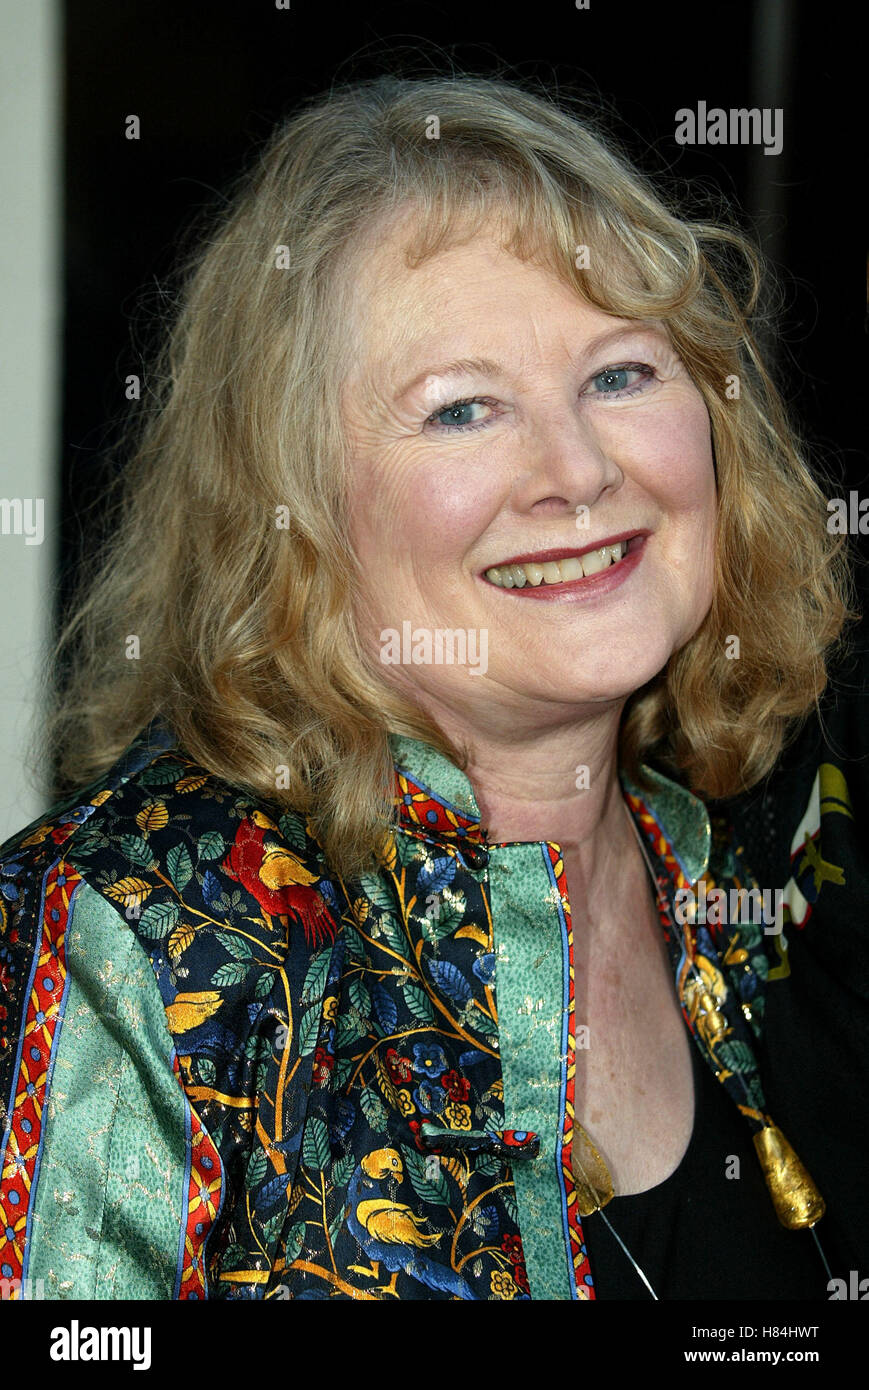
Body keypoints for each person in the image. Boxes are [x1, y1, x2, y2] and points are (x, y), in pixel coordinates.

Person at [0, 72, 864, 1302]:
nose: (574, 471)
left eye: (619, 375)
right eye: (461, 410)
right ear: (290, 508)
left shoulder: (764, 873)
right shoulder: (112, 947)